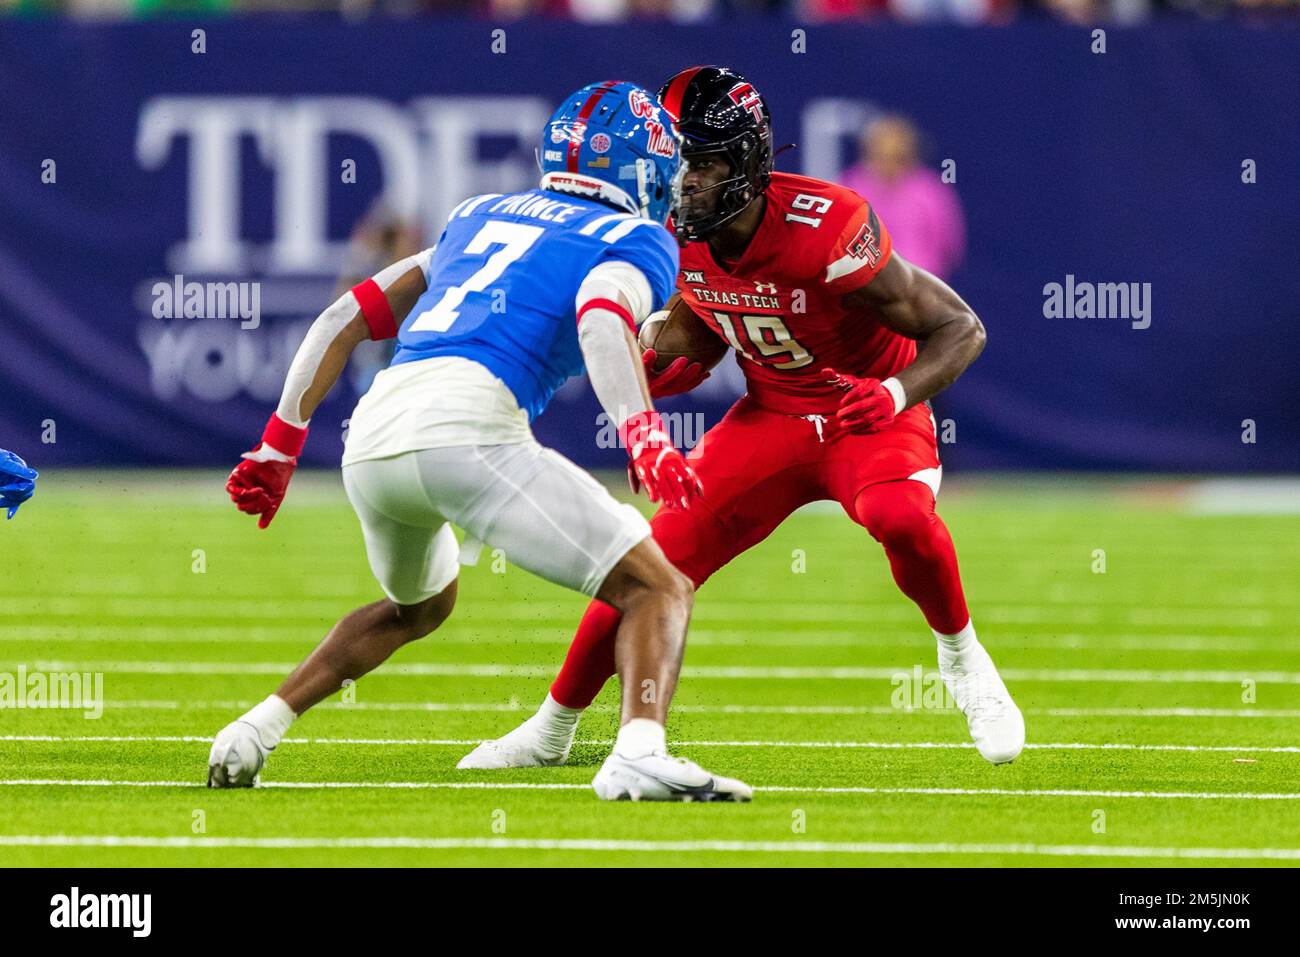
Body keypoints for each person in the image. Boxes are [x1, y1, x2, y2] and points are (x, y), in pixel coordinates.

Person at [460, 66, 1023, 772]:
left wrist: (895, 394)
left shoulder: (828, 227)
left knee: (901, 518)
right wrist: (648, 358)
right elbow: (701, 338)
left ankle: (963, 659)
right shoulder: (666, 230)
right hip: (773, 417)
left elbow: (961, 328)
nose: (684, 180)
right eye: (676, 162)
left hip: (865, 412)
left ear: (746, 162)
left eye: (702, 162)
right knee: (645, 564)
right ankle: (552, 728)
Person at [208, 79, 752, 803]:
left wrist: (280, 444)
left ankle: (254, 728)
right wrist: (644, 429)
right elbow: (598, 316)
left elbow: (346, 315)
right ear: (638, 167)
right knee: (658, 585)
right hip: (467, 429)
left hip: (373, 439)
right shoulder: (636, 236)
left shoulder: (478, 213)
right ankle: (638, 751)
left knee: (419, 606)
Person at [839, 114, 966, 280]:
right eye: (880, 156)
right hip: (861, 289)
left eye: (898, 157)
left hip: (918, 288)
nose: (888, 166)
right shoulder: (848, 188)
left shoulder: (930, 192)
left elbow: (949, 246)